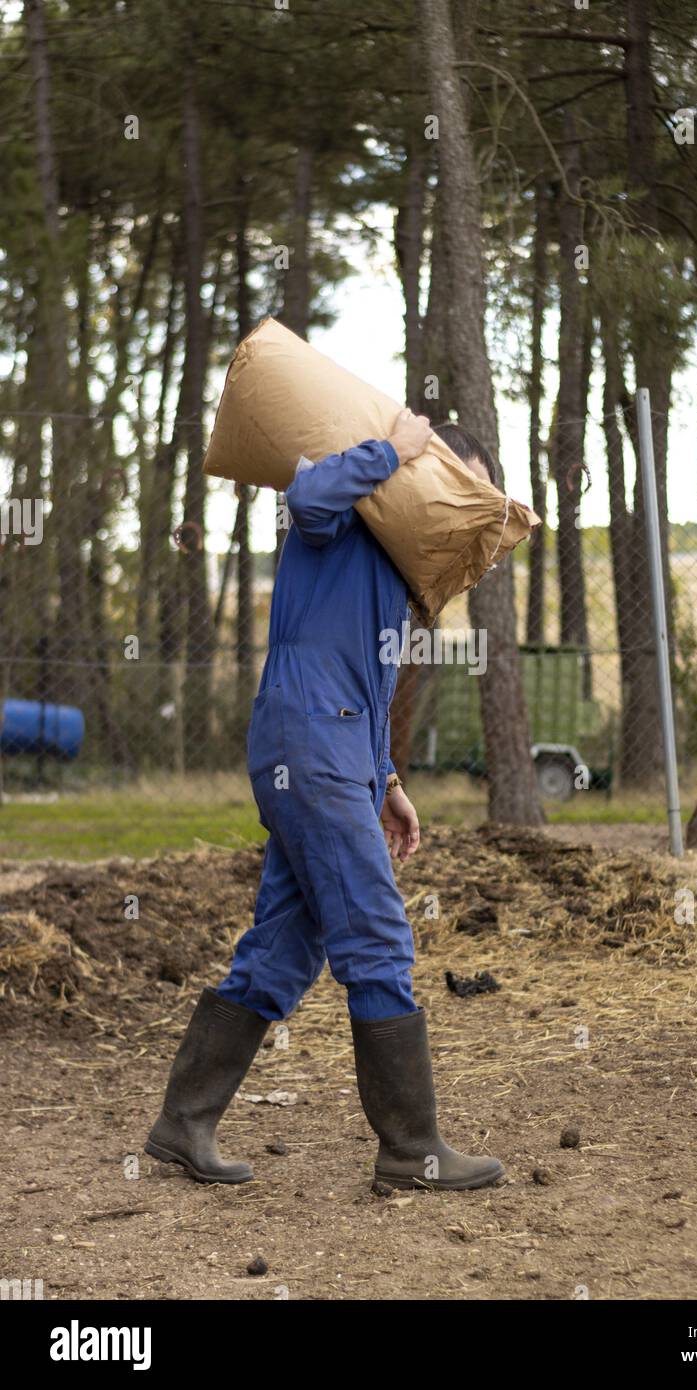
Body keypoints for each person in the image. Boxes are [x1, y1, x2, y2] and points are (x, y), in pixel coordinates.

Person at [145, 410, 505, 1192]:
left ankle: (183, 1122)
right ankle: (412, 1151)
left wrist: (389, 783)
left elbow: (366, 691)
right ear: (425, 471)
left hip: (329, 752)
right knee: (376, 930)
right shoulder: (338, 516)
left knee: (284, 945)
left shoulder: (389, 566)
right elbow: (304, 494)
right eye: (458, 484)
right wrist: (394, 450)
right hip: (308, 748)